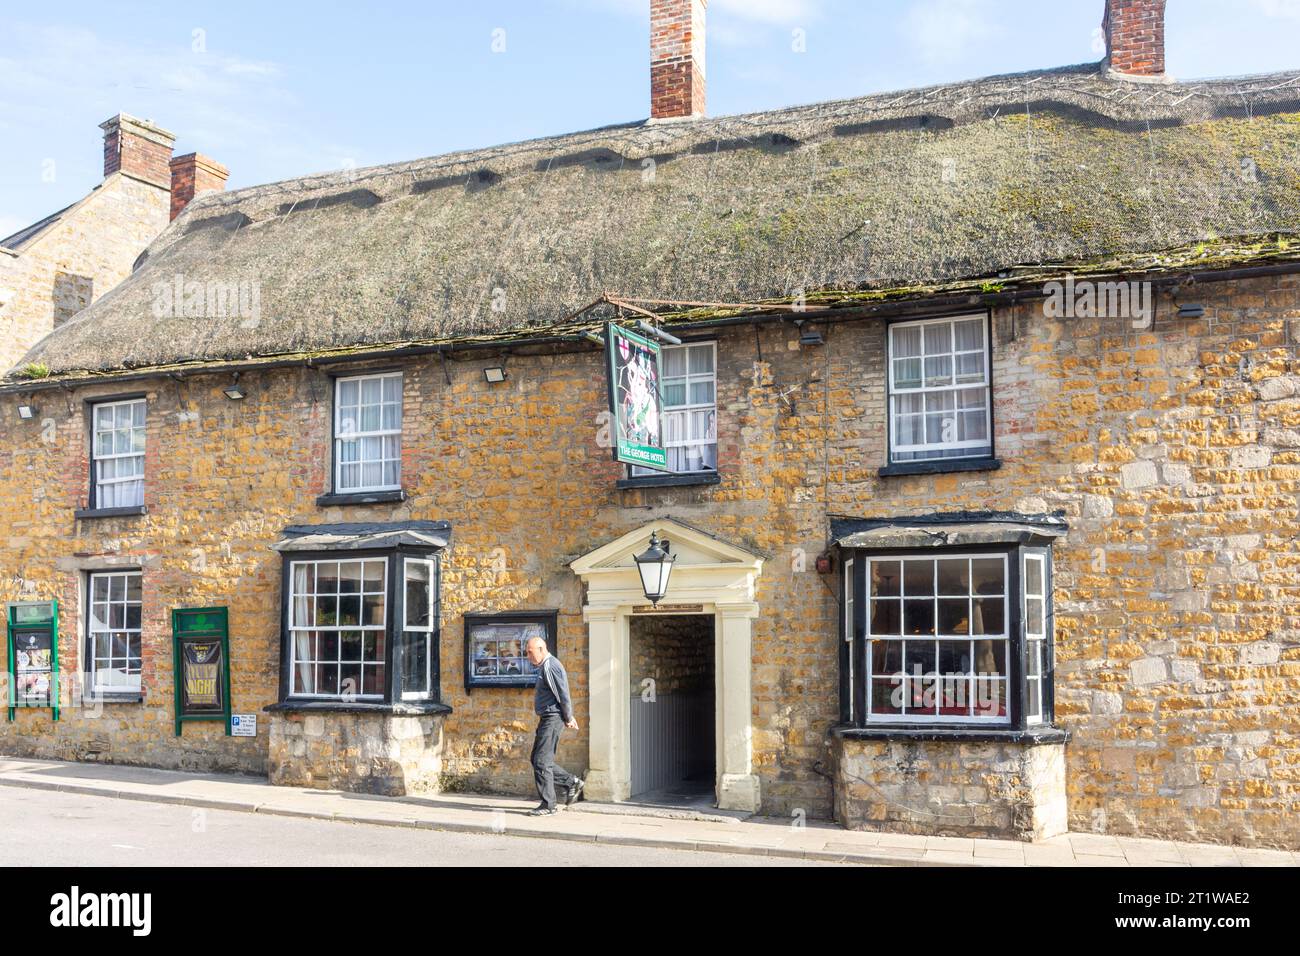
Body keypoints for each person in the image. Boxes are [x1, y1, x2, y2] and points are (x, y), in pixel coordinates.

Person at [526, 636, 582, 816]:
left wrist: (568, 717)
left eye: (530, 652)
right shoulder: (545, 666)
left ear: (541, 649)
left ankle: (549, 805)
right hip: (548, 718)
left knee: (541, 761)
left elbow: (562, 694)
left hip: (552, 718)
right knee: (537, 759)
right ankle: (571, 782)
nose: (528, 656)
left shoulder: (550, 665)